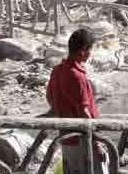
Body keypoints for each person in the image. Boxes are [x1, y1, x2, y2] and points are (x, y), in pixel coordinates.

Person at [46, 28, 107, 174]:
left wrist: (62, 112)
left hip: (66, 137)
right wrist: (96, 143)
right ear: (83, 50)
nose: (91, 53)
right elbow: (84, 112)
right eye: (90, 49)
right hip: (83, 140)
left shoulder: (57, 71)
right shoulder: (77, 76)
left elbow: (50, 98)